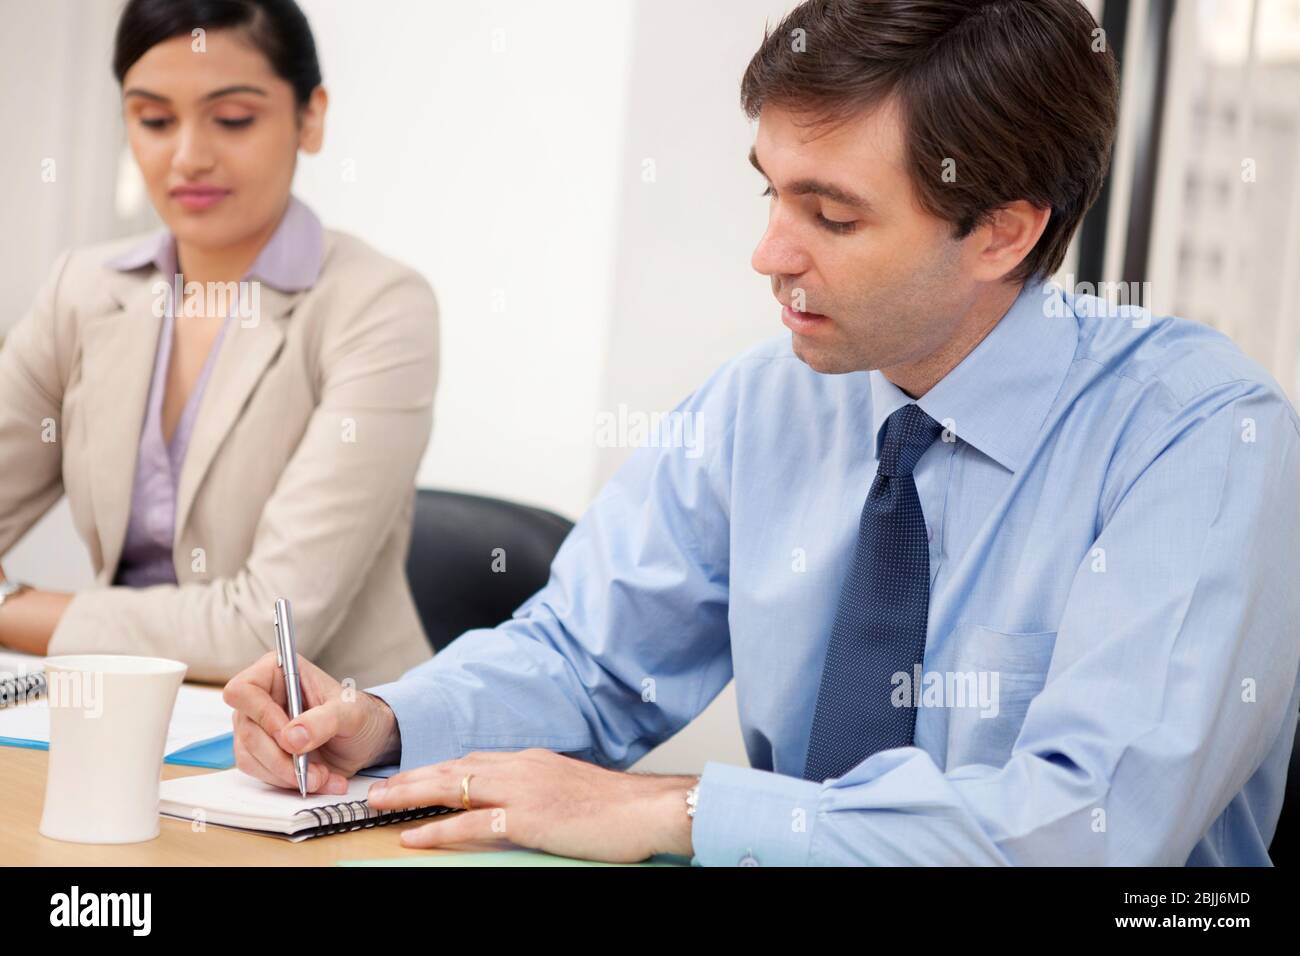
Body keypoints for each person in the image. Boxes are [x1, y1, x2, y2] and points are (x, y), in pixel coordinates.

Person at [225, 0, 1300, 865]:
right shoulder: (764, 404)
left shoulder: (1200, 440)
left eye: (831, 215)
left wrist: (681, 811)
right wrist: (383, 721)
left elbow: (1087, 826)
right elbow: (588, 658)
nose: (769, 254)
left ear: (1003, 232)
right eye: (770, 193)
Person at [0, 0, 437, 687]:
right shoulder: (80, 290)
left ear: (310, 118)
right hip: (117, 708)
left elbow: (265, 629)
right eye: (154, 120)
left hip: (322, 732)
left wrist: (11, 607)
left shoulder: (379, 307)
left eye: (232, 119)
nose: (189, 158)